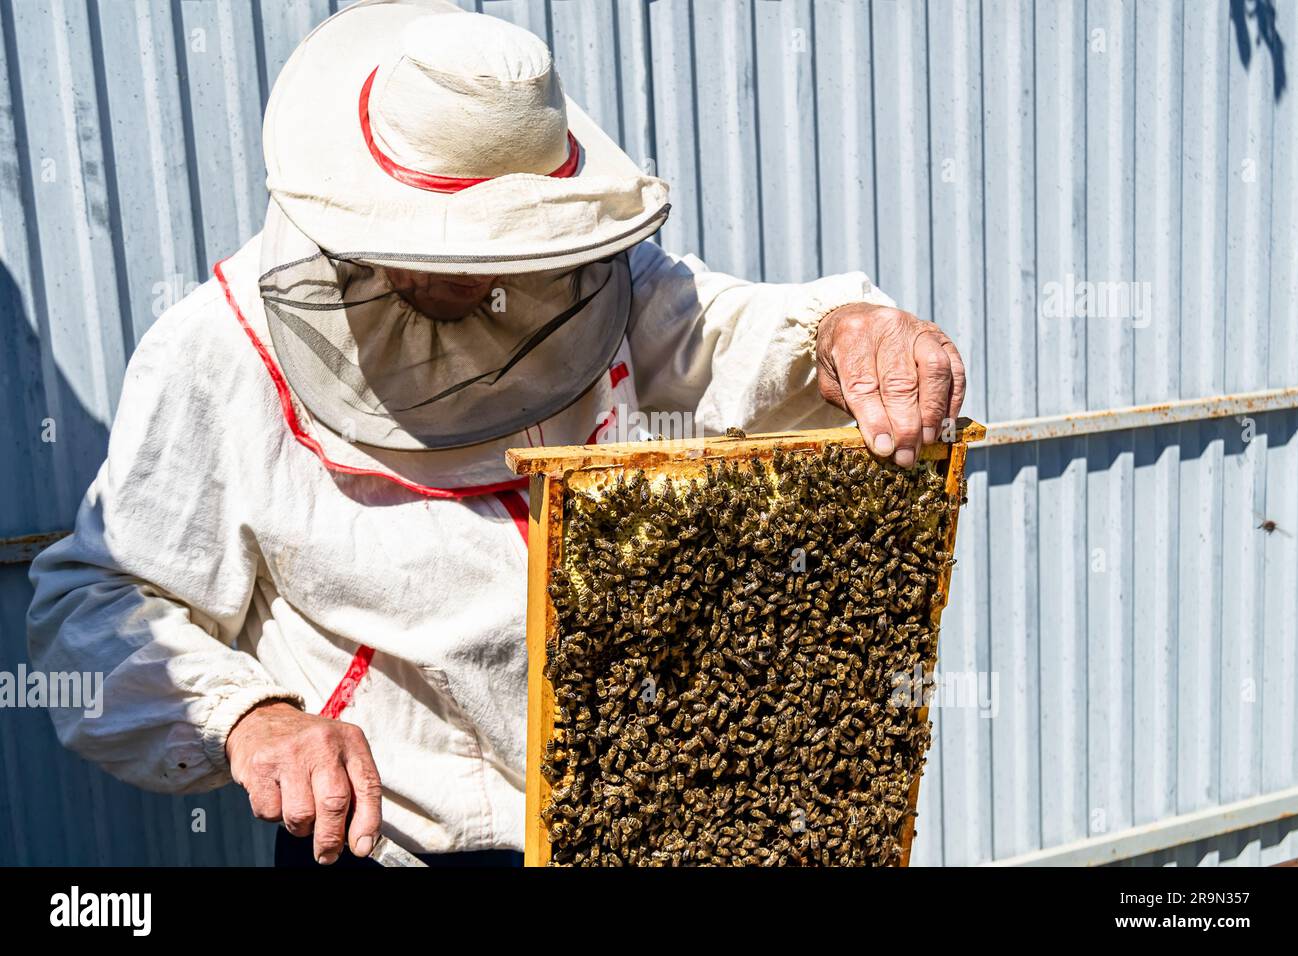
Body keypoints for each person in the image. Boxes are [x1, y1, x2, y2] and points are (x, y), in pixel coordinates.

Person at [27, 0, 965, 866]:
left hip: (650, 817)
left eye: (506, 253)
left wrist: (841, 332)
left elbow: (720, 338)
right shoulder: (216, 348)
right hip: (397, 849)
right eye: (443, 252)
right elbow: (97, 601)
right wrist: (253, 717)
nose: (475, 284)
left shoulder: (598, 273)